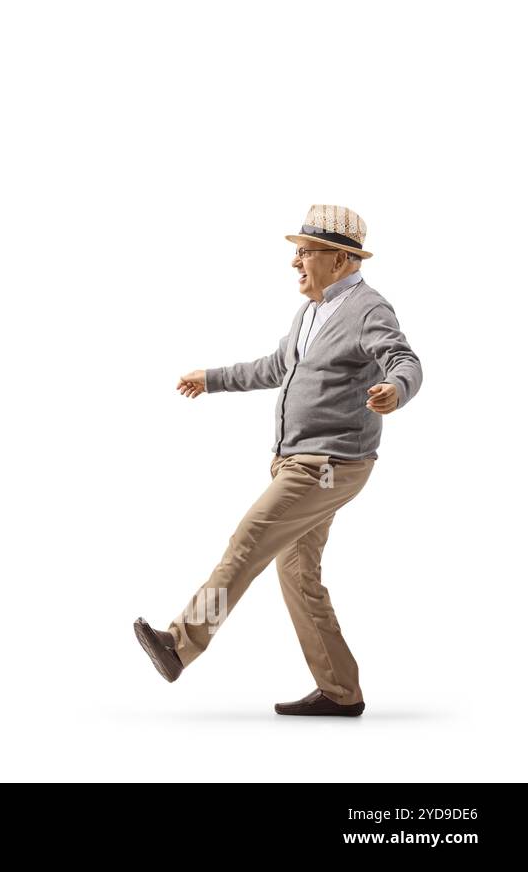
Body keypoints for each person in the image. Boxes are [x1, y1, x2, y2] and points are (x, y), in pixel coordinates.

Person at [134, 205, 422, 716]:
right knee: (298, 574)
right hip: (295, 460)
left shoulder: (369, 309)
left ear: (340, 259)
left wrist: (394, 390)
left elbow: (404, 359)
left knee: (247, 542)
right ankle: (340, 692)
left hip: (329, 465)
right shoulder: (310, 312)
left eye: (305, 252)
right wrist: (212, 377)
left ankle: (180, 644)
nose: (295, 262)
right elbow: (276, 366)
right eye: (296, 251)